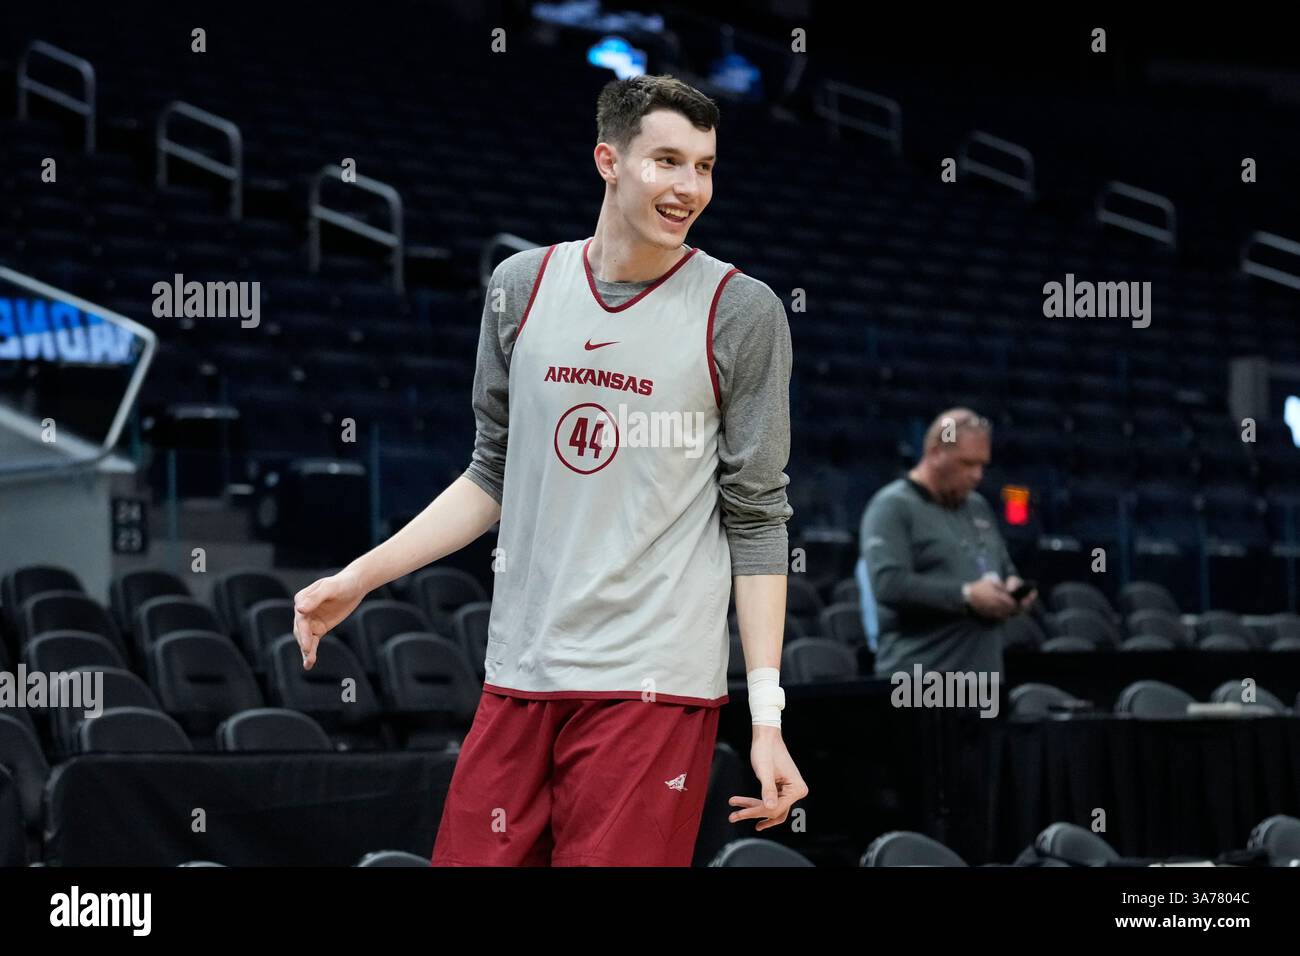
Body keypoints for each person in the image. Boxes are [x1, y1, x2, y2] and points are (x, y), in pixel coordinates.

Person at [291, 74, 807, 866]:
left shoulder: (742, 311)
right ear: (608, 159)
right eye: (666, 161)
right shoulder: (520, 287)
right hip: (521, 670)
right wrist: (360, 577)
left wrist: (766, 721)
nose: (689, 187)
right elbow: (489, 473)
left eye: (703, 166)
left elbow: (758, 518)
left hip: (653, 687)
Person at [859, 408, 1036, 679]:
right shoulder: (892, 506)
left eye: (982, 465)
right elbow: (888, 585)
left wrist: (1012, 587)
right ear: (935, 452)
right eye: (967, 463)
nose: (977, 475)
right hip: (918, 685)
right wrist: (966, 596)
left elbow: (1005, 568)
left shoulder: (978, 506)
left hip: (981, 684)